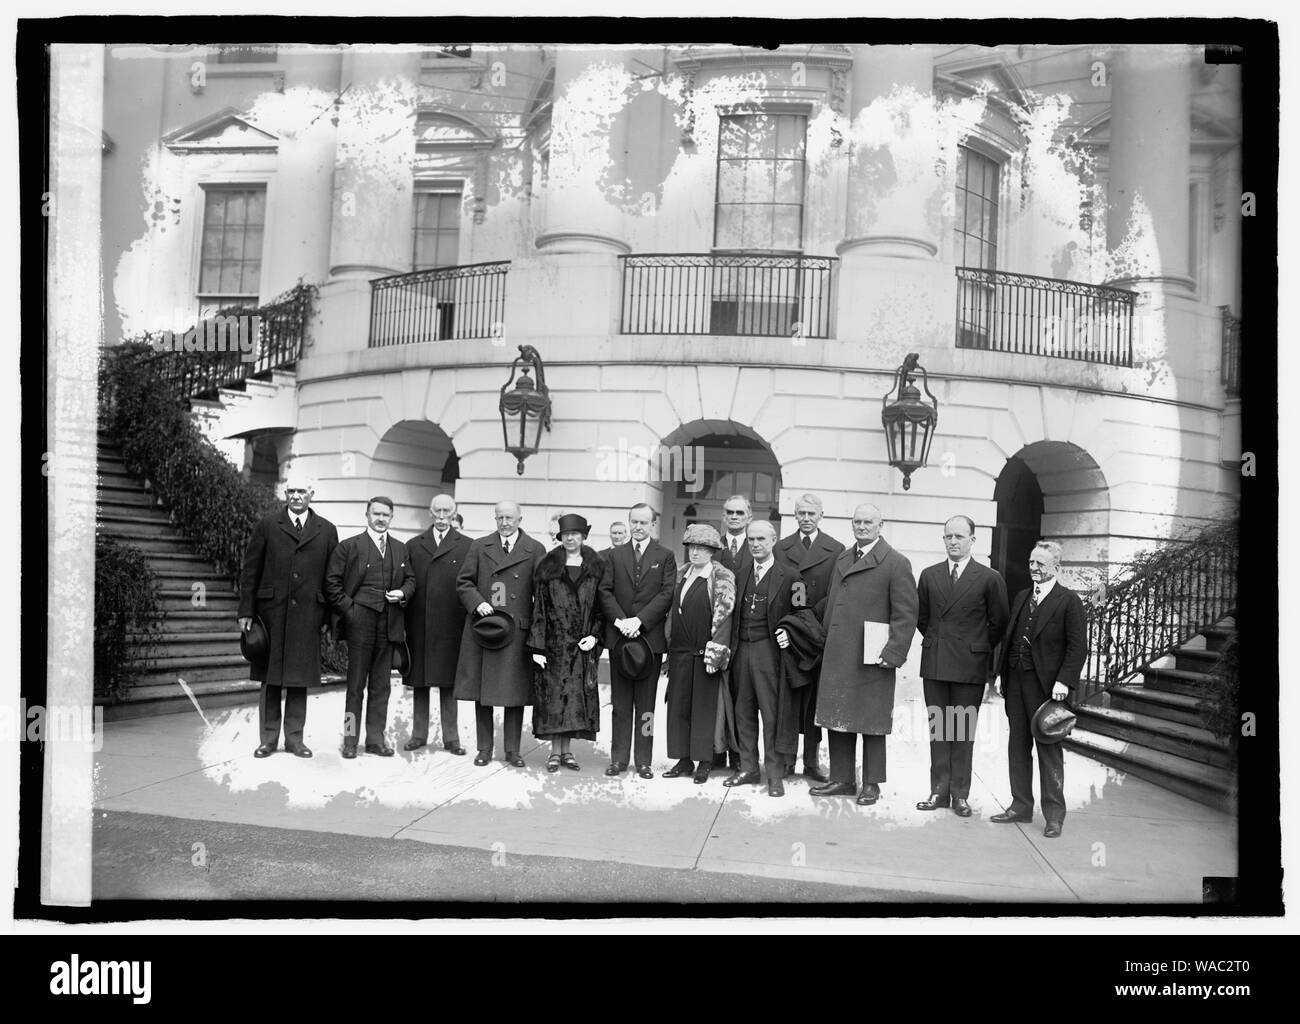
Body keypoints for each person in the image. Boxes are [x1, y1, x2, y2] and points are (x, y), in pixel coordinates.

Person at [811, 503, 918, 806]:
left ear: (880, 525)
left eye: (868, 522)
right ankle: (842, 779)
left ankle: (872, 783)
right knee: (837, 716)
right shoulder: (844, 557)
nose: (862, 526)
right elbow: (833, 602)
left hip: (874, 655)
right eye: (857, 522)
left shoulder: (896, 563)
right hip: (839, 651)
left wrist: (894, 651)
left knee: (872, 721)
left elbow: (906, 614)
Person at [238, 472, 339, 758]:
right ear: (285, 494)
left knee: (298, 678)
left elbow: (333, 578)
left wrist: (331, 619)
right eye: (291, 491)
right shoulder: (268, 526)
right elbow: (250, 571)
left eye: (302, 492)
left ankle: (294, 739)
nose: (296, 496)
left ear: (311, 495)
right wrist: (246, 610)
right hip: (271, 615)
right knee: (270, 679)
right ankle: (267, 739)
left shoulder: (326, 530)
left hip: (308, 614)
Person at [915, 515, 1010, 817]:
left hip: (969, 666)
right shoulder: (930, 575)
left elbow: (999, 623)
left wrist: (975, 646)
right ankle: (938, 790)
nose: (953, 542)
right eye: (948, 537)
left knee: (961, 732)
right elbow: (922, 617)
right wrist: (940, 642)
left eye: (959, 536)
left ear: (973, 540)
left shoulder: (988, 577)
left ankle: (960, 794)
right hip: (936, 664)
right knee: (939, 730)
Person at [992, 541, 1086, 838]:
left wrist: (1064, 681)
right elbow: (1010, 639)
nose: (1034, 568)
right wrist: (1000, 674)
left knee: (1048, 749)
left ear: (1056, 568)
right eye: (1031, 562)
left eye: (1041, 564)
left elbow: (1077, 647)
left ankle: (1054, 815)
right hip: (1016, 683)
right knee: (1017, 746)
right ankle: (1020, 805)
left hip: (1047, 688)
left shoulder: (1068, 601)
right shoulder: (1021, 596)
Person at [454, 501, 547, 767]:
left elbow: (542, 594)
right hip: (485, 627)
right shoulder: (480, 546)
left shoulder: (534, 549)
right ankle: (484, 749)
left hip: (517, 631)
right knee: (483, 692)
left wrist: (538, 634)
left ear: (520, 519)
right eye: (499, 518)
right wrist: (477, 602)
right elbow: (464, 582)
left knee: (514, 693)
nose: (504, 522)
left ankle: (512, 751)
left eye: (509, 517)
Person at [325, 496, 416, 758]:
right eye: (376, 514)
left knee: (381, 686)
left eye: (385, 515)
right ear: (366, 515)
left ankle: (375, 739)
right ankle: (351, 741)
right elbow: (332, 584)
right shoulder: (349, 547)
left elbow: (411, 579)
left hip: (389, 623)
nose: (380, 519)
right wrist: (351, 611)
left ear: (391, 517)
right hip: (359, 623)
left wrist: (402, 593)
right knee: (355, 687)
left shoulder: (400, 549)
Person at [598, 502, 676, 778]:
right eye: (634, 522)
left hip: (649, 642)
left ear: (653, 524)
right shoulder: (614, 555)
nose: (638, 527)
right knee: (620, 705)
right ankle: (618, 759)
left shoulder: (665, 556)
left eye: (644, 523)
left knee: (646, 707)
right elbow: (604, 591)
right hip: (620, 640)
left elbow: (666, 594)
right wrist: (620, 621)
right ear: (629, 522)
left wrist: (640, 621)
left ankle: (643, 760)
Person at [772, 492, 843, 782]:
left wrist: (815, 625)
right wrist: (786, 627)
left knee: (814, 699)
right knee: (788, 699)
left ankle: (812, 762)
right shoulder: (781, 547)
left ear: (821, 516)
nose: (806, 519)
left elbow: (837, 591)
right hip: (789, 631)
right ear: (795, 515)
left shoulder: (836, 549)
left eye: (811, 514)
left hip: (816, 633)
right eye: (801, 513)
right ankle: (787, 759)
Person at [528, 514, 605, 772]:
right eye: (566, 534)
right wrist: (537, 647)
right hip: (554, 645)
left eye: (575, 534)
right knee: (553, 699)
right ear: (560, 537)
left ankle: (568, 752)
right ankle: (554, 752)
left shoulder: (596, 567)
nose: (570, 538)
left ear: (584, 536)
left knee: (575, 700)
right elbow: (539, 608)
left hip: (582, 644)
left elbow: (600, 607)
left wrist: (594, 635)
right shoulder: (548, 566)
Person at [728, 520, 797, 797]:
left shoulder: (791, 576)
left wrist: (788, 631)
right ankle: (748, 767)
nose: (755, 544)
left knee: (772, 715)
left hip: (769, 652)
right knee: (743, 711)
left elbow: (802, 612)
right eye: (751, 540)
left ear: (773, 541)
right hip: (741, 649)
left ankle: (775, 775)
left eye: (761, 540)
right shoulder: (740, 573)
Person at [663, 524, 737, 784]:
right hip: (681, 653)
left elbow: (724, 615)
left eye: (702, 549)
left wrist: (715, 654)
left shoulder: (720, 578)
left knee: (705, 710)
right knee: (679, 707)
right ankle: (683, 760)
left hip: (704, 653)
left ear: (712, 551)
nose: (695, 553)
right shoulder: (683, 574)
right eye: (692, 548)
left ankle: (705, 761)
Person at [403, 493, 472, 754]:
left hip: (451, 626)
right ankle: (418, 734)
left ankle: (451, 738)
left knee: (448, 684)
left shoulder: (467, 545)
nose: (442, 517)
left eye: (447, 512)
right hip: (419, 624)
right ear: (430, 513)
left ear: (454, 514)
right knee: (419, 681)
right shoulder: (413, 545)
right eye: (438, 512)